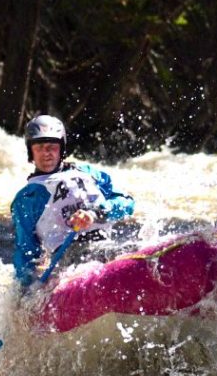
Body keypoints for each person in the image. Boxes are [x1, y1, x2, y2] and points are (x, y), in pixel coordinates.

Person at [11, 115, 135, 286]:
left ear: (61, 148)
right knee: (107, 254)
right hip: (67, 258)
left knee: (127, 249)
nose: (46, 153)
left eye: (52, 147)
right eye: (39, 147)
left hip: (104, 244)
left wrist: (96, 213)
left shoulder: (89, 173)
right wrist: (25, 291)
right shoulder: (27, 198)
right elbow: (26, 252)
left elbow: (127, 203)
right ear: (30, 151)